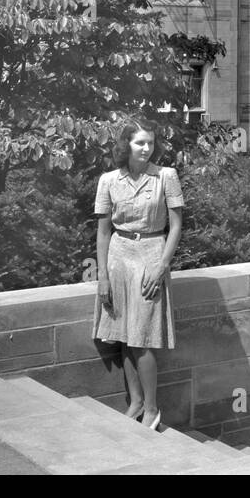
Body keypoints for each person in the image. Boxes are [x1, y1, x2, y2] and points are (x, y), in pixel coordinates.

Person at [93, 118, 184, 430]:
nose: (147, 148)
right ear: (126, 145)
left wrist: (162, 266)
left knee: (141, 337)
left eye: (150, 142)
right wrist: (102, 276)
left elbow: (176, 226)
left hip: (150, 256)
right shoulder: (108, 181)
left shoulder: (166, 177)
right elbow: (103, 233)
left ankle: (153, 409)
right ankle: (135, 403)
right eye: (140, 142)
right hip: (119, 259)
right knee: (124, 337)